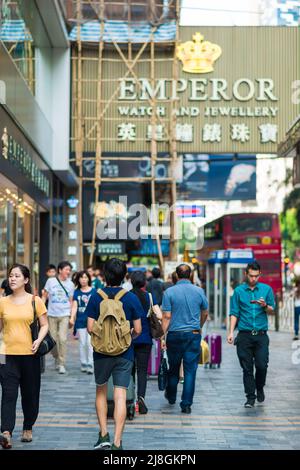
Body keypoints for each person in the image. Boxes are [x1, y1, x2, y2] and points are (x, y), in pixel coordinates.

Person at [87, 258, 142, 450]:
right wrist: (126, 339)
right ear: (123, 275)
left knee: (101, 392)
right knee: (120, 395)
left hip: (101, 353)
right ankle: (117, 442)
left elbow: (90, 327)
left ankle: (103, 435)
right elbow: (138, 329)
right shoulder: (130, 298)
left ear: (104, 275)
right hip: (124, 353)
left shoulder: (96, 296)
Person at [0, 264, 48, 449]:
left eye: (17, 276)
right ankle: (6, 432)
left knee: (30, 394)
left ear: (26, 280)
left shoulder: (35, 301)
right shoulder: (3, 302)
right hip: (6, 355)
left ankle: (28, 426)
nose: (12, 278)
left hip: (30, 355)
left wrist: (39, 340)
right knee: (8, 394)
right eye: (11, 275)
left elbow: (44, 325)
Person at [227, 261, 275, 408]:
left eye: (256, 276)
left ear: (260, 274)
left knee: (261, 365)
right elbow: (234, 313)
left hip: (261, 335)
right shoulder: (239, 291)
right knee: (247, 368)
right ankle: (250, 397)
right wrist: (230, 332)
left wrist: (264, 306)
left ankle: (259, 387)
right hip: (244, 335)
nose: (253, 279)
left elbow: (272, 310)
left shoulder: (266, 290)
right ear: (246, 274)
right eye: (251, 276)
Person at [161, 264, 208, 414]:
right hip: (193, 335)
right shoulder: (199, 291)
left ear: (176, 275)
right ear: (190, 275)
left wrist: (163, 335)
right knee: (190, 371)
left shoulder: (169, 292)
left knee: (173, 368)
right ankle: (186, 404)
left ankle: (171, 396)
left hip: (174, 335)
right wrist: (198, 325)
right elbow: (205, 312)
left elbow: (167, 316)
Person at [130, 270, 162, 414]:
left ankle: (129, 399)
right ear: (144, 282)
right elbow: (160, 315)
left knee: (129, 370)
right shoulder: (149, 296)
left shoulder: (126, 296)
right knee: (142, 371)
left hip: (128, 338)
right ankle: (141, 398)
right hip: (145, 339)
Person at [42, 261, 74, 374]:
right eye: (66, 269)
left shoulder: (70, 284)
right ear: (60, 270)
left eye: (69, 270)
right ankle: (56, 357)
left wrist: (71, 316)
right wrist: (41, 310)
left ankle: (61, 363)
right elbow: (44, 296)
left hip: (64, 314)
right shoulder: (51, 281)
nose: (68, 272)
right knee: (53, 340)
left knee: (63, 339)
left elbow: (71, 301)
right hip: (51, 314)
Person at [69, 270, 95, 374]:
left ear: (88, 278)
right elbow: (75, 306)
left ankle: (90, 363)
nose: (83, 280)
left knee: (90, 343)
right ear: (78, 279)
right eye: (81, 277)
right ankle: (83, 363)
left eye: (85, 277)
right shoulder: (77, 292)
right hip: (80, 321)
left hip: (91, 321)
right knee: (82, 343)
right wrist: (72, 318)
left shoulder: (94, 291)